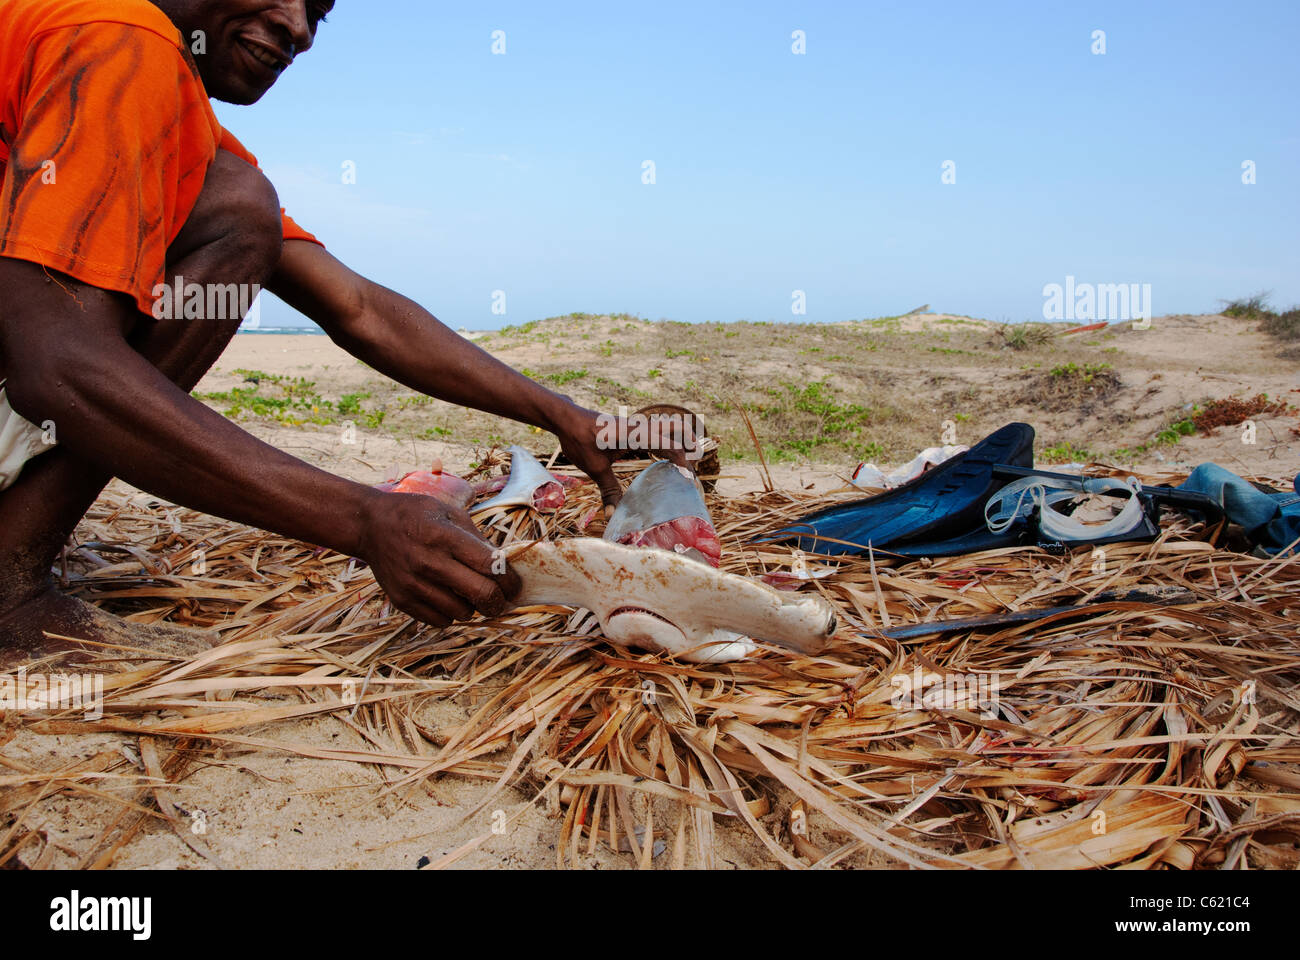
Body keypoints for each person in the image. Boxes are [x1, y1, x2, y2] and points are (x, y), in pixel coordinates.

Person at [0, 0, 665, 663]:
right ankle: (9, 588)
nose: (298, 27)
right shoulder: (122, 38)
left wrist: (563, 417)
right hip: (43, 363)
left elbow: (358, 308)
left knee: (236, 208)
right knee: (238, 208)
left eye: (318, 12)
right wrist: (362, 520)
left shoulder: (180, 115)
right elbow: (57, 363)